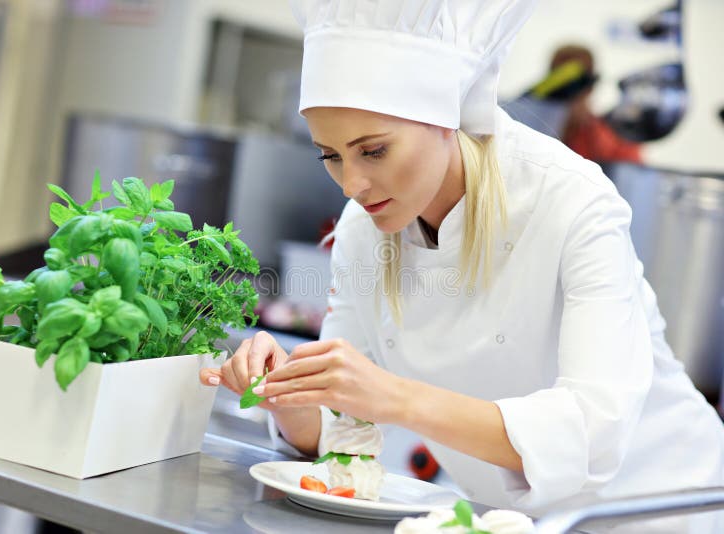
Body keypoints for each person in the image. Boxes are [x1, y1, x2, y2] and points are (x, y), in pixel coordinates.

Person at [199, 1, 724, 532]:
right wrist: (288, 392)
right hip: (522, 520)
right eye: (330, 155)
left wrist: (396, 397)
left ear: (445, 120)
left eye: (374, 151)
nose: (351, 186)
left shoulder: (573, 203)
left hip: (669, 508)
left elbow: (592, 436)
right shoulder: (366, 229)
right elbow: (343, 429)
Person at [505, 44, 643, 164]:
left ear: (590, 87)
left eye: (576, 86)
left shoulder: (614, 137)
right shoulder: (529, 128)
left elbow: (628, 177)